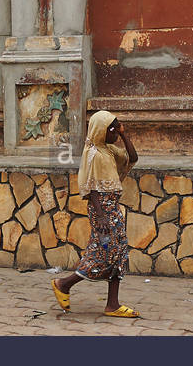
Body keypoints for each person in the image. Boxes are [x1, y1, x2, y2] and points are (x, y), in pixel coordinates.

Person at [51, 110, 140, 318]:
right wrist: (100, 217)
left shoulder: (108, 150)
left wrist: (124, 134)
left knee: (118, 252)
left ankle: (112, 304)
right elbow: (90, 188)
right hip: (102, 209)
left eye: (117, 129)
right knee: (102, 253)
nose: (115, 134)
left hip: (112, 207)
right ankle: (64, 283)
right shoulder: (93, 154)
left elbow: (132, 158)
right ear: (101, 131)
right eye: (112, 129)